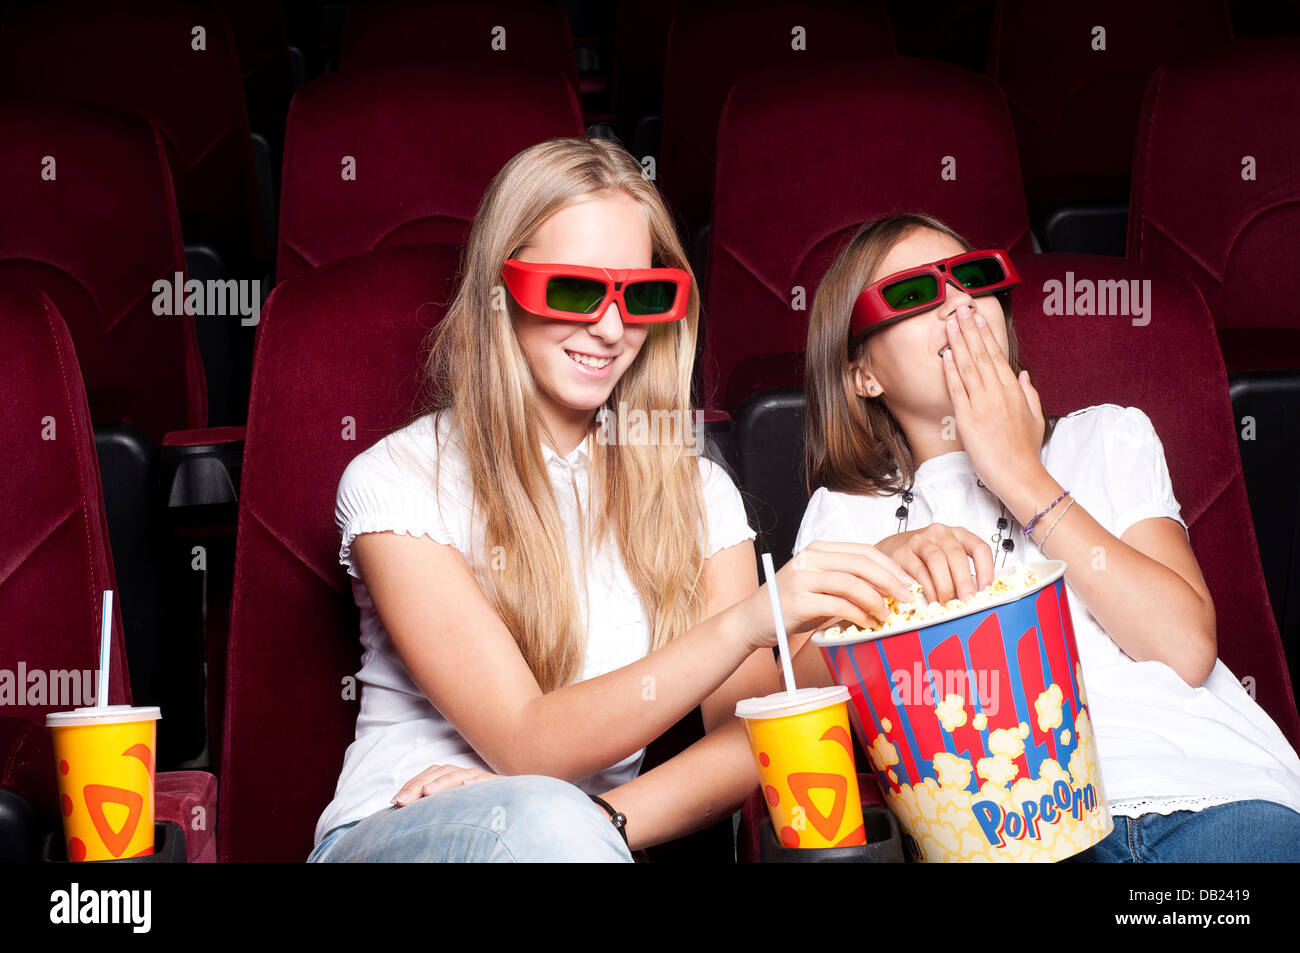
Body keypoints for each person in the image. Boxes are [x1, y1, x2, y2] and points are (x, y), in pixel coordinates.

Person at [308, 138, 912, 863]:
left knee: (553, 825)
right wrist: (751, 621)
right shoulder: (397, 479)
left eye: (644, 296)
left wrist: (604, 817)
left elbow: (753, 728)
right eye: (572, 289)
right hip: (396, 831)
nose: (610, 327)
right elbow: (527, 741)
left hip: (574, 841)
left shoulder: (694, 490)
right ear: (500, 291)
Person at [789, 211, 1300, 862]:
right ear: (863, 373)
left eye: (974, 280)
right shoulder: (850, 513)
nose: (958, 304)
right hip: (1014, 833)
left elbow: (1184, 646)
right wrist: (880, 574)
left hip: (1212, 797)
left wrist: (1022, 477)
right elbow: (798, 696)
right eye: (915, 293)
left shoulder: (1108, 435)